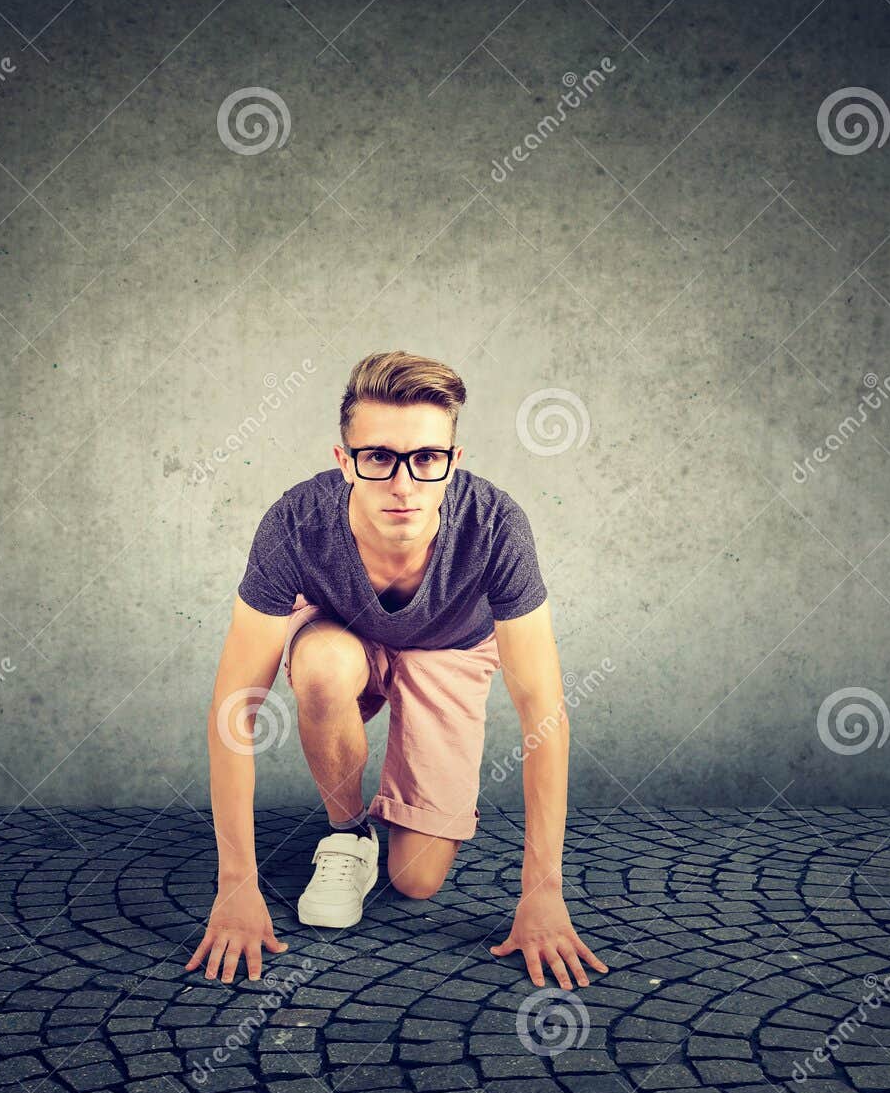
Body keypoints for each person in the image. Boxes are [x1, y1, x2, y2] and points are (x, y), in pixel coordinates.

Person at [185, 351, 606, 992]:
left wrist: (544, 893)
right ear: (344, 460)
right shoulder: (295, 524)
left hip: (450, 650)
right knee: (322, 666)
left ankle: (405, 827)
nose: (403, 485)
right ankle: (350, 837)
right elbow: (234, 709)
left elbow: (543, 714)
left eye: (426, 459)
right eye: (378, 458)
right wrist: (235, 885)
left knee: (417, 882)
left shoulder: (496, 527)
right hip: (343, 638)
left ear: (452, 462)